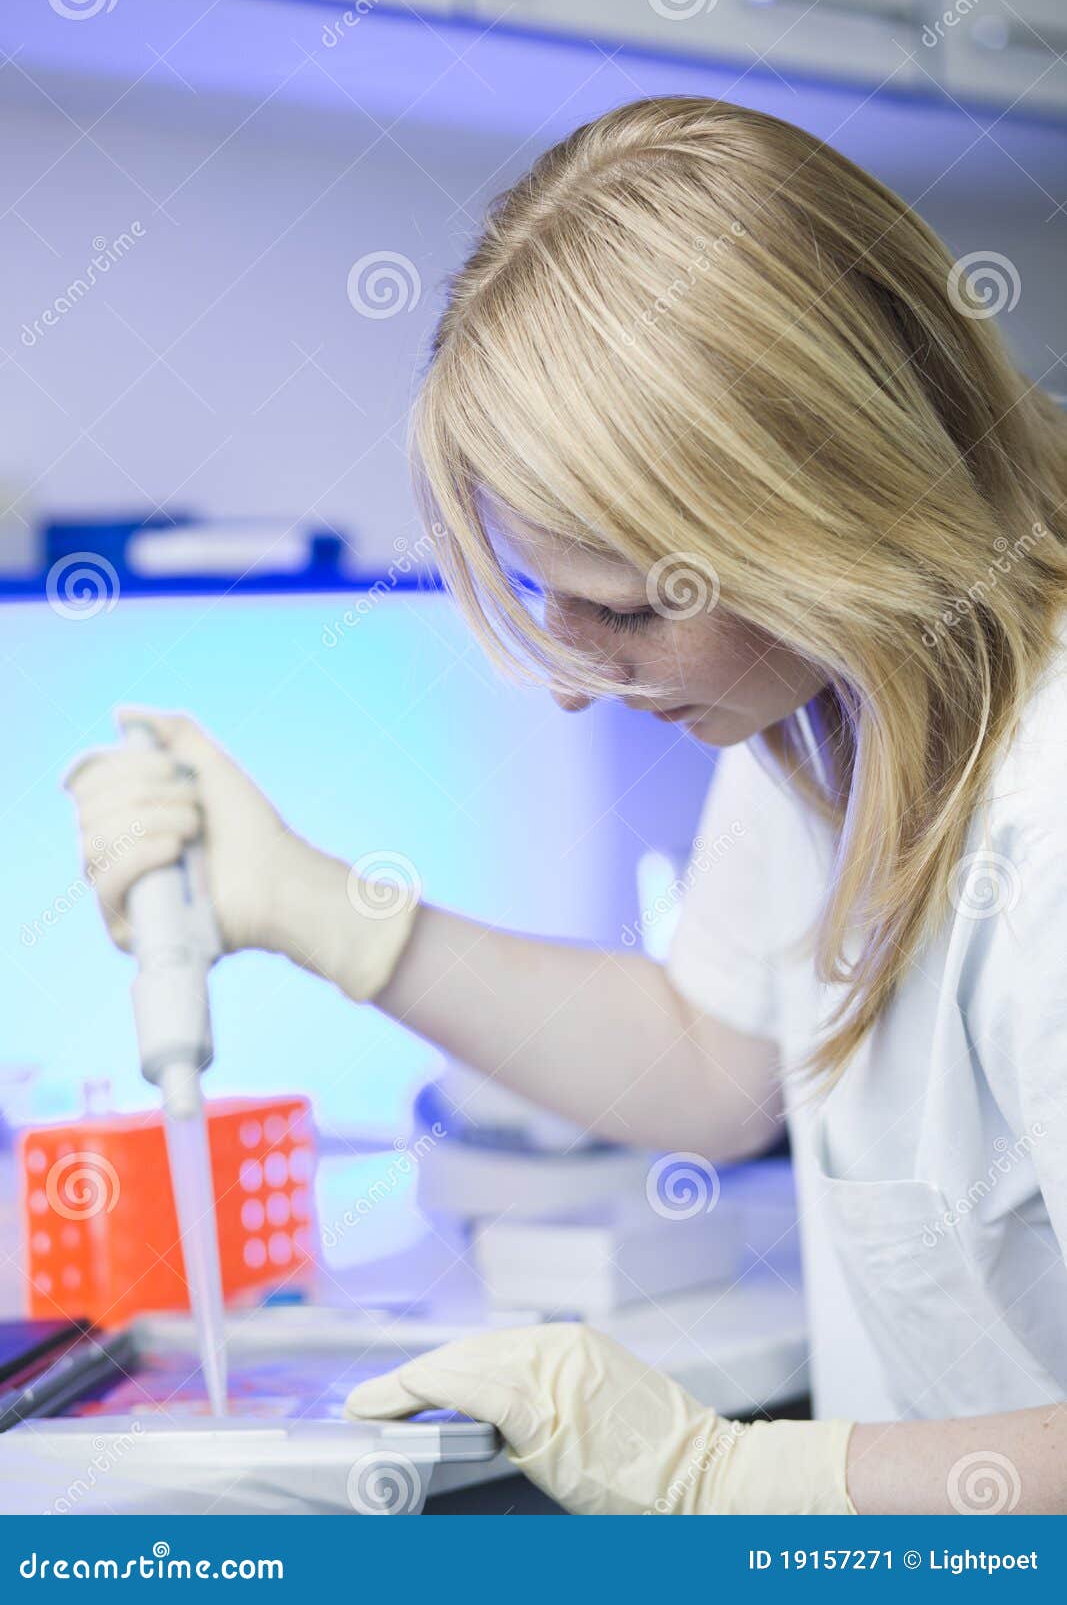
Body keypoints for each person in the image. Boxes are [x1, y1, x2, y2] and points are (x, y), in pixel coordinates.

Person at [67, 97, 1067, 1514]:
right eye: (555, 602)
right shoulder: (831, 710)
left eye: (618, 611)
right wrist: (312, 906)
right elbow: (712, 1066)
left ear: (818, 517)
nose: (575, 683)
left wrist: (728, 1478)